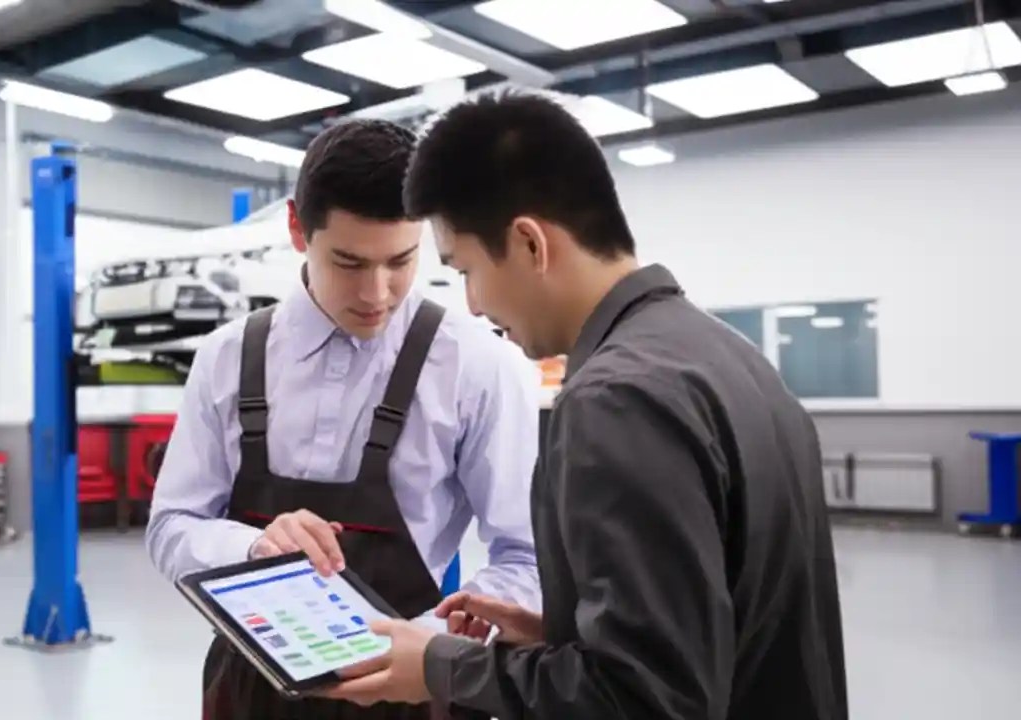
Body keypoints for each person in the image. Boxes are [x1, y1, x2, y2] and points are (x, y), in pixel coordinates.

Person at [322, 91, 849, 719]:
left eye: (465, 269)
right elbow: (709, 642)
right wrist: (564, 634)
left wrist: (440, 666)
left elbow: (647, 701)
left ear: (529, 245)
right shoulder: (728, 359)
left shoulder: (616, 402)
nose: (472, 305)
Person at [146, 117, 543, 720]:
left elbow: (526, 554)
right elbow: (172, 524)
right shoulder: (227, 359)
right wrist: (253, 546)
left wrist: (434, 645)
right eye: (350, 263)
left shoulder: (480, 366)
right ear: (296, 229)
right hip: (249, 688)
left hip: (412, 688)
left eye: (401, 261)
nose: (377, 292)